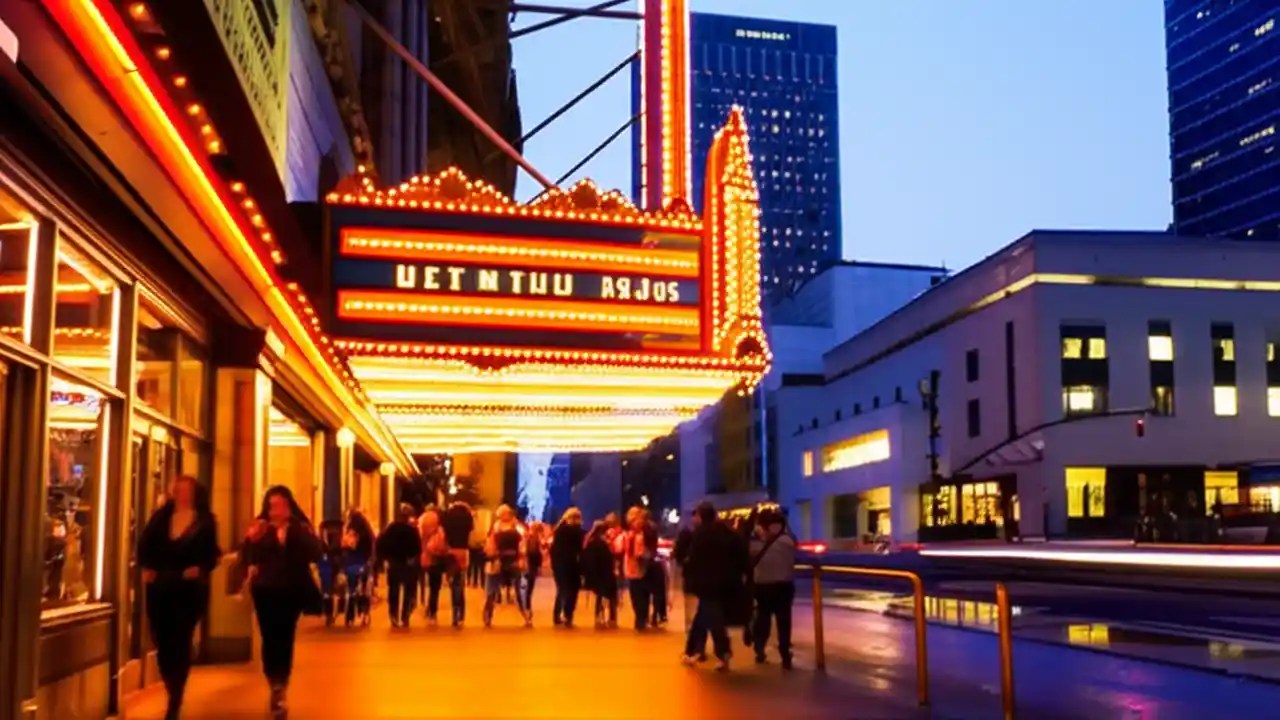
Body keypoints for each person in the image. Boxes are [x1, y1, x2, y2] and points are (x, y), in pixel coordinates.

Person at [137, 475, 221, 720]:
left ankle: (176, 694)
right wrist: (147, 568)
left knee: (180, 639)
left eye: (186, 490)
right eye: (178, 490)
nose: (181, 494)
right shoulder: (160, 518)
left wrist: (200, 569)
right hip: (160, 587)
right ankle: (169, 682)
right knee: (162, 641)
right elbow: (144, 546)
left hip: (187, 590)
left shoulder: (205, 522)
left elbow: (212, 554)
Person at [242, 485, 322, 717]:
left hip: (291, 591)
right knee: (269, 636)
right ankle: (274, 680)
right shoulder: (260, 528)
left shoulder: (299, 528)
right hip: (265, 590)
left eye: (281, 505)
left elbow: (316, 552)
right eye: (272, 505)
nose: (276, 510)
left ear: (289, 506)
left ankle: (281, 684)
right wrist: (251, 541)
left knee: (285, 636)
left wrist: (297, 534)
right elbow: (248, 555)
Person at [682, 502, 748, 671]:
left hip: (707, 583)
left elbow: (694, 560)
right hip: (726, 582)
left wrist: (691, 576)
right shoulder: (728, 533)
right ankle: (692, 650)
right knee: (702, 616)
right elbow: (741, 556)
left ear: (701, 516)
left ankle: (722, 651)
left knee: (712, 617)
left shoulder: (700, 535)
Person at [750, 509, 797, 669]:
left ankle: (760, 650)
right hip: (784, 585)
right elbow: (795, 543)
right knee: (784, 621)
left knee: (763, 617)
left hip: (763, 585)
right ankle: (785, 654)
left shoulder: (757, 543)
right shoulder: (788, 541)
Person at [483, 505, 530, 627]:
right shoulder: (497, 527)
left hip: (510, 561)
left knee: (520, 590)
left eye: (507, 513)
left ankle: (526, 615)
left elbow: (523, 544)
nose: (506, 516)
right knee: (491, 592)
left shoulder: (515, 527)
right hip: (499, 561)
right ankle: (488, 615)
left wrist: (521, 558)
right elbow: (489, 544)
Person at [377, 503, 422, 628]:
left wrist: (384, 558)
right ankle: (405, 615)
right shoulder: (412, 530)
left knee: (394, 590)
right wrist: (413, 559)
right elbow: (417, 548)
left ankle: (393, 614)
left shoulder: (391, 528)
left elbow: (381, 543)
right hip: (407, 563)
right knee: (407, 590)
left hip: (394, 562)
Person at [550, 507, 585, 627]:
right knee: (570, 591)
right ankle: (567, 616)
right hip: (571, 565)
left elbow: (553, 550)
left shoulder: (559, 530)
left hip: (560, 565)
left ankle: (558, 616)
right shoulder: (577, 532)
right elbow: (581, 549)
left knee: (562, 590)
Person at [442, 501, 475, 627]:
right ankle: (461, 615)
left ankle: (454, 614)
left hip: (450, 552)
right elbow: (472, 533)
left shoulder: (447, 516)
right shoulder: (468, 517)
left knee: (453, 584)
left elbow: (443, 533)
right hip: (463, 552)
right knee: (460, 584)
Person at [622, 507, 654, 630]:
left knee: (640, 595)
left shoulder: (644, 533)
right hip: (633, 568)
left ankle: (642, 619)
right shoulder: (630, 535)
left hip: (641, 567)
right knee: (638, 595)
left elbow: (647, 549)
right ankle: (641, 619)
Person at [581, 520, 618, 628]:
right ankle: (611, 617)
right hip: (605, 573)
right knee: (610, 595)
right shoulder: (601, 543)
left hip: (597, 573)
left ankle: (599, 616)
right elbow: (607, 558)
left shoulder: (590, 541)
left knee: (600, 595)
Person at [419, 507, 450, 625]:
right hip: (435, 560)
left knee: (424, 584)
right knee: (434, 588)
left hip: (423, 558)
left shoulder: (421, 527)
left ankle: (425, 603)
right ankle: (432, 611)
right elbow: (442, 544)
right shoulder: (439, 530)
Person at [672, 516, 698, 634]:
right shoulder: (714, 533)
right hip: (702, 576)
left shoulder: (685, 534)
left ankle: (692, 630)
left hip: (691, 576)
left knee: (691, 604)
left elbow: (678, 554)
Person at [524, 522, 545, 613]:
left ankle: (526, 605)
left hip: (530, 565)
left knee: (528, 587)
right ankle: (527, 607)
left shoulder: (530, 538)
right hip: (530, 565)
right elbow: (533, 553)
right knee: (529, 587)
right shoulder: (533, 539)